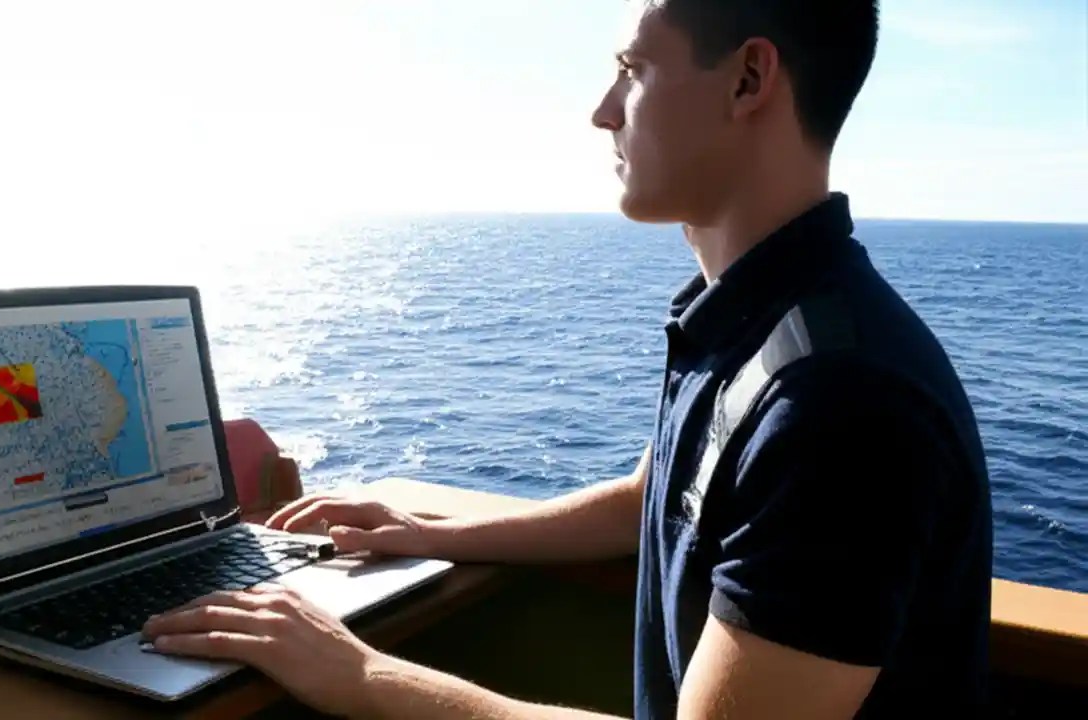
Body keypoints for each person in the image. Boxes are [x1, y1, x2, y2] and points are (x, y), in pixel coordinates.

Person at [140, 1, 994, 717]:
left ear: (748, 80)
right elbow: (648, 500)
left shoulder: (839, 403)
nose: (603, 109)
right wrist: (426, 531)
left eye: (635, 69)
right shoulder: (759, 323)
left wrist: (358, 672)